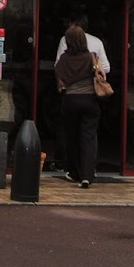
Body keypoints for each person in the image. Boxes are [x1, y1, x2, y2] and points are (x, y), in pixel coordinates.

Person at [54, 22, 101, 188]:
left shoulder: (64, 59)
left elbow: (58, 74)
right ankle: (88, 175)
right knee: (88, 137)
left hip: (71, 100)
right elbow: (101, 72)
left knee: (71, 137)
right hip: (89, 100)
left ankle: (74, 172)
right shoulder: (90, 56)